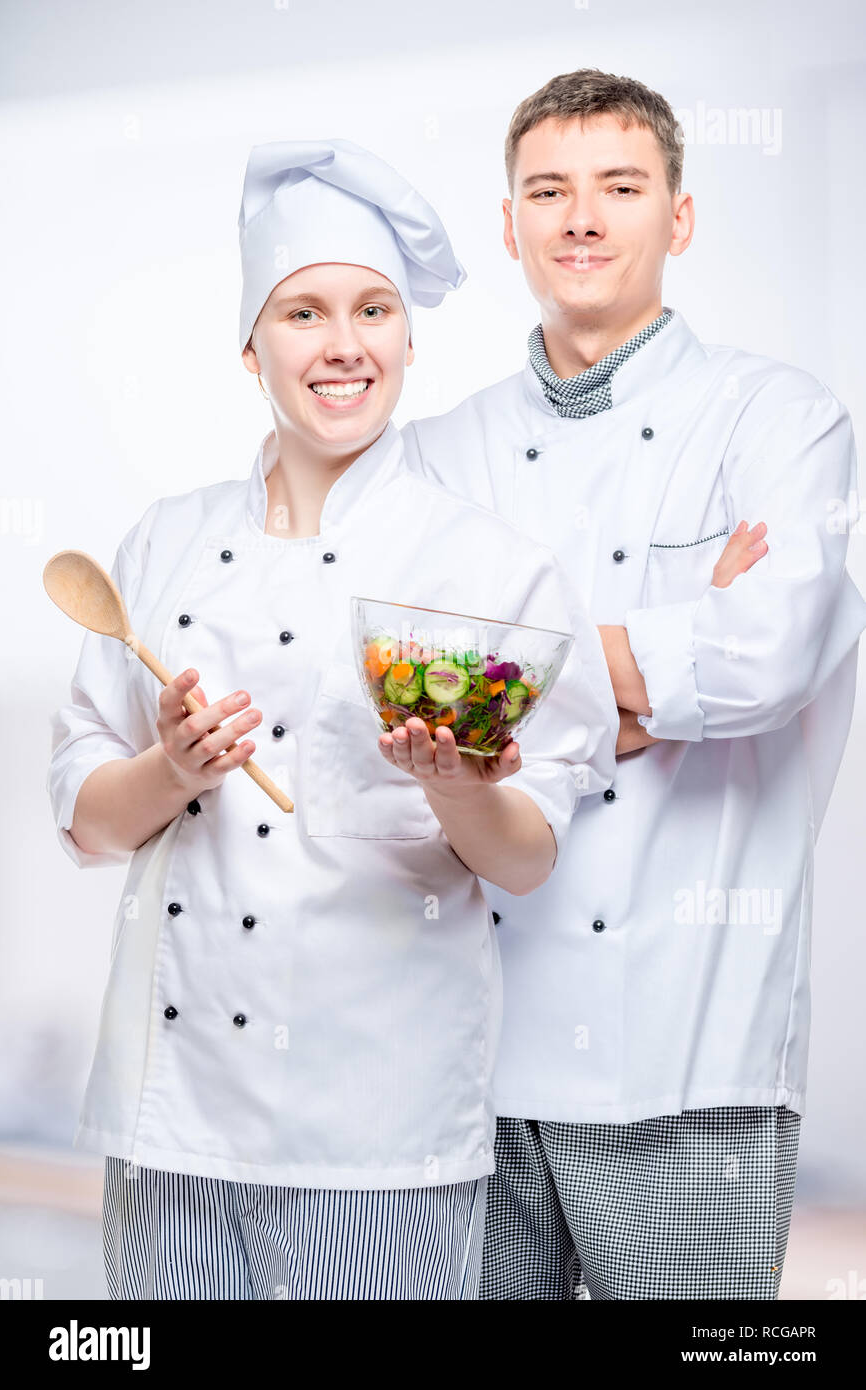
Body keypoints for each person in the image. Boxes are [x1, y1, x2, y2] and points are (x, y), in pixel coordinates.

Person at [45, 137, 620, 1301]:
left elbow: (528, 855)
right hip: (174, 1126)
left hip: (381, 1134)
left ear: (408, 337)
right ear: (251, 346)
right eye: (303, 311)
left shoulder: (486, 566)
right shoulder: (161, 543)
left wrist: (458, 786)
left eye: (372, 309)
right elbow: (89, 821)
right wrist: (169, 767)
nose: (343, 344)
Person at [401, 69, 866, 1299]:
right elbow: (409, 701)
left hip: (692, 1058)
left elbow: (767, 652)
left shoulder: (780, 418)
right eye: (548, 190)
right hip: (468, 1069)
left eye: (620, 185)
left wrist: (511, 668)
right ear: (510, 225)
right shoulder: (437, 454)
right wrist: (665, 647)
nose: (582, 218)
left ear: (680, 215)